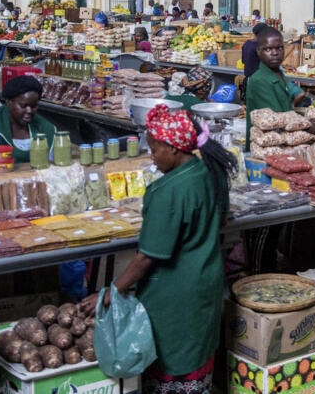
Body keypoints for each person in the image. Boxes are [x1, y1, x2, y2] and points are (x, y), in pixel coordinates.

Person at [79, 104, 238, 393]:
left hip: (175, 294)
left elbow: (146, 257)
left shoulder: (168, 192)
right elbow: (222, 220)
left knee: (174, 358)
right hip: (206, 281)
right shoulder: (209, 172)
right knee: (199, 351)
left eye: (154, 151)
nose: (152, 160)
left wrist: (111, 292)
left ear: (175, 148)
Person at [245, 27, 315, 148]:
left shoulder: (279, 74)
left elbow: (295, 98)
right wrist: (308, 126)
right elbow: (275, 119)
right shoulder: (259, 80)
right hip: (264, 147)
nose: (275, 53)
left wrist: (309, 118)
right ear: (259, 52)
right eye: (268, 49)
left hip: (283, 143)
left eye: (279, 48)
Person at [0, 75, 57, 165]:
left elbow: (52, 168)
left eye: (33, 106)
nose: (29, 111)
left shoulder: (47, 129)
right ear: (9, 101)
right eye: (23, 106)